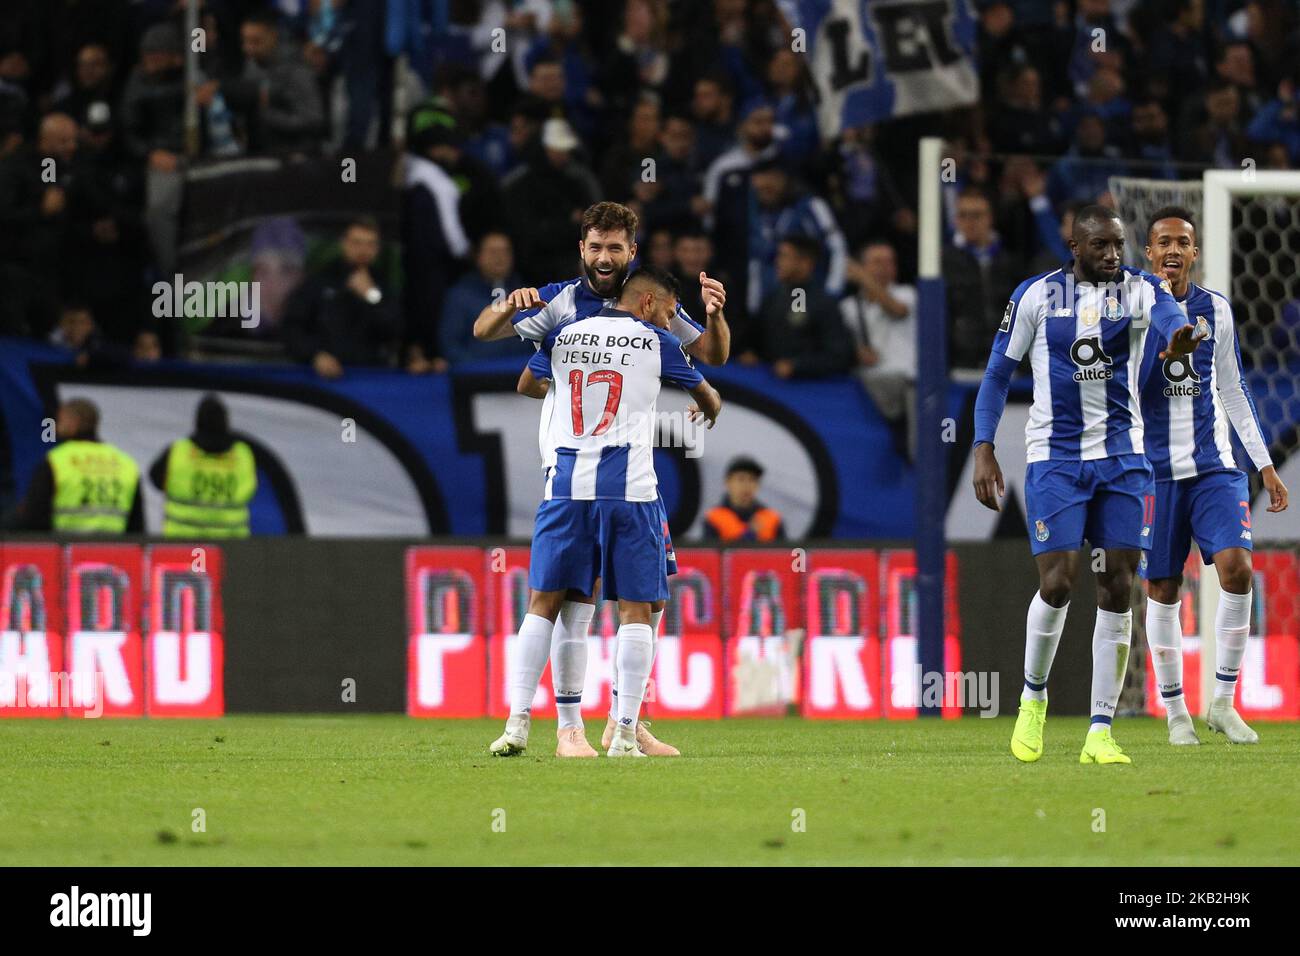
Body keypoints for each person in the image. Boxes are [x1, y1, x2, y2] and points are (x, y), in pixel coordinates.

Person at [474, 200, 731, 756]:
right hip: (614, 476)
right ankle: (582, 726)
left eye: (615, 247)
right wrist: (510, 302)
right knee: (601, 601)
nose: (605, 256)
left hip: (577, 475)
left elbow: (712, 349)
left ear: (631, 252)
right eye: (596, 247)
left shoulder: (613, 316)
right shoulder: (575, 304)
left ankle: (602, 721)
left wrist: (712, 314)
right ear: (583, 249)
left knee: (593, 600)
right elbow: (484, 329)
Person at [971, 205, 1202, 767]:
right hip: (1056, 459)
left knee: (1118, 586)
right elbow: (998, 373)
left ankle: (1100, 731)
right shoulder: (1035, 295)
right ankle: (1033, 699)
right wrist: (983, 446)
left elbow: (1171, 316)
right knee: (1058, 582)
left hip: (1123, 461)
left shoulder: (1141, 287)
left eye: (1119, 244)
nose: (1113, 255)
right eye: (1101, 246)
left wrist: (1180, 338)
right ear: (1075, 247)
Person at [1138, 207, 1289, 746]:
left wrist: (1265, 465)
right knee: (1163, 587)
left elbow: (1233, 389)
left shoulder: (1215, 310)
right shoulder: (1133, 313)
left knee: (1238, 569)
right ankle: (1176, 711)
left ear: (1194, 253)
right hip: (1156, 472)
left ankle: (1223, 702)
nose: (1173, 250)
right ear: (1149, 253)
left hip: (1214, 467)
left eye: (1183, 242)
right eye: (1164, 242)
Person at [284, 216, 399, 378]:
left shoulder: (383, 284)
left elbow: (396, 329)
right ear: (344, 243)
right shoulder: (321, 280)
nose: (363, 250)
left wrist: (371, 296)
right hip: (325, 379)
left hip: (370, 376)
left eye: (370, 244)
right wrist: (315, 355)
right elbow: (292, 328)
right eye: (357, 243)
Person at [12, 398, 142, 534]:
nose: (56, 427)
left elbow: (33, 517)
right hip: (111, 546)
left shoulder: (57, 460)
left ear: (73, 423)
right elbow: (137, 525)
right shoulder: (125, 462)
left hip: (65, 544)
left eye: (60, 421)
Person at [842, 241, 917, 458]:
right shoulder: (847, 307)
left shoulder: (908, 294)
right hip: (868, 391)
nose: (885, 268)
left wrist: (863, 278)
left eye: (890, 262)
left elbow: (897, 310)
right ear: (863, 265)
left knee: (914, 453)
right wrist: (855, 353)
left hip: (905, 386)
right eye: (877, 262)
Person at [149, 394, 258, 539]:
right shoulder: (243, 454)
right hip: (230, 544)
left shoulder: (178, 452)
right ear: (226, 422)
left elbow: (155, 480)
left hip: (184, 544)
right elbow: (252, 489)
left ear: (197, 422)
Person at [748, 235, 852, 379]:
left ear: (805, 263)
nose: (778, 262)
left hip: (810, 388)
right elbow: (759, 339)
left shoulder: (824, 304)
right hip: (771, 385)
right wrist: (751, 352)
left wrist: (797, 366)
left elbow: (839, 355)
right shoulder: (773, 298)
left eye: (784, 256)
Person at [439, 232, 530, 365]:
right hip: (477, 375)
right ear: (478, 256)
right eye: (493, 252)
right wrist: (476, 369)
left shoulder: (526, 294)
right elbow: (451, 345)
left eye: (505, 251)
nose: (499, 257)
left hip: (522, 373)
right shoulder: (460, 296)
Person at [702, 457, 784, 542]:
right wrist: (749, 535)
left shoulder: (772, 519)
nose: (747, 485)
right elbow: (710, 550)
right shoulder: (714, 518)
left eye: (752, 479)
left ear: (758, 485)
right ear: (728, 482)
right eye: (741, 479)